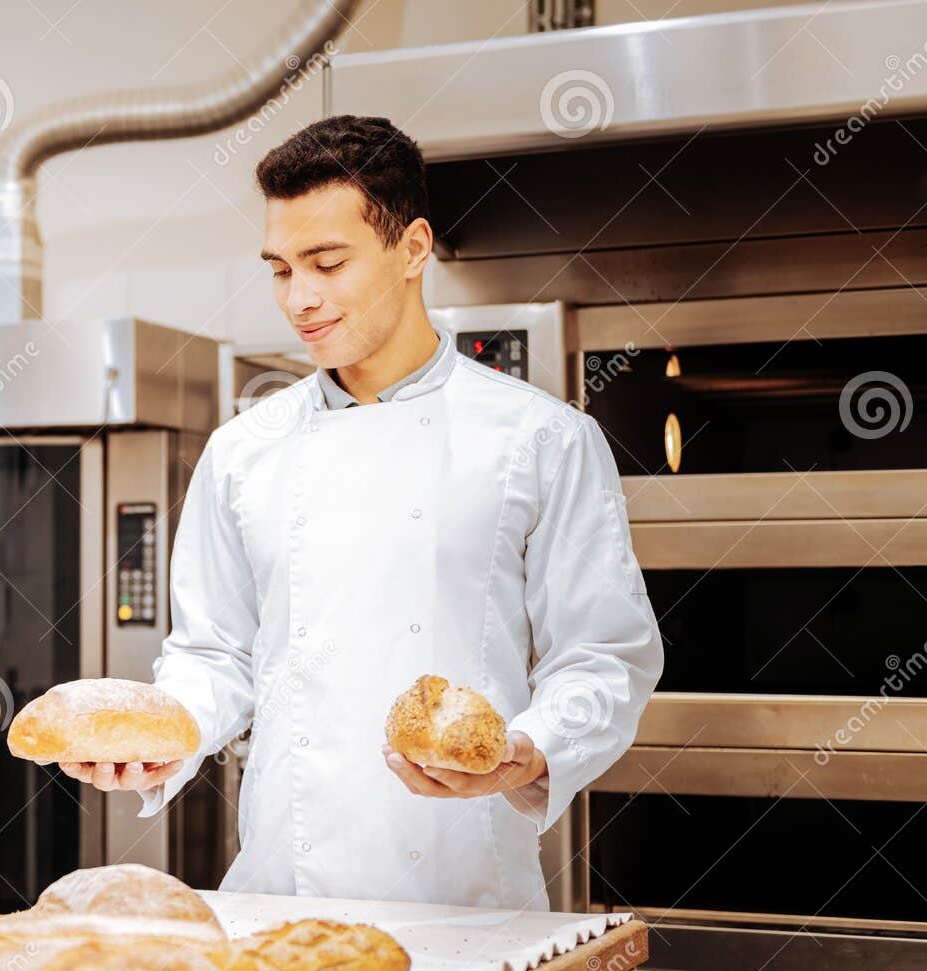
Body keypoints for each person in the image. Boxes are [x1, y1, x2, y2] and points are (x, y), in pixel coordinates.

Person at [59, 115, 663, 910]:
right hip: (280, 897)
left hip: (465, 902)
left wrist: (528, 749)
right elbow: (214, 654)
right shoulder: (243, 452)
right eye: (279, 269)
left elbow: (602, 657)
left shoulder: (541, 440)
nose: (299, 298)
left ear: (413, 249)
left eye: (327, 262)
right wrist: (164, 734)